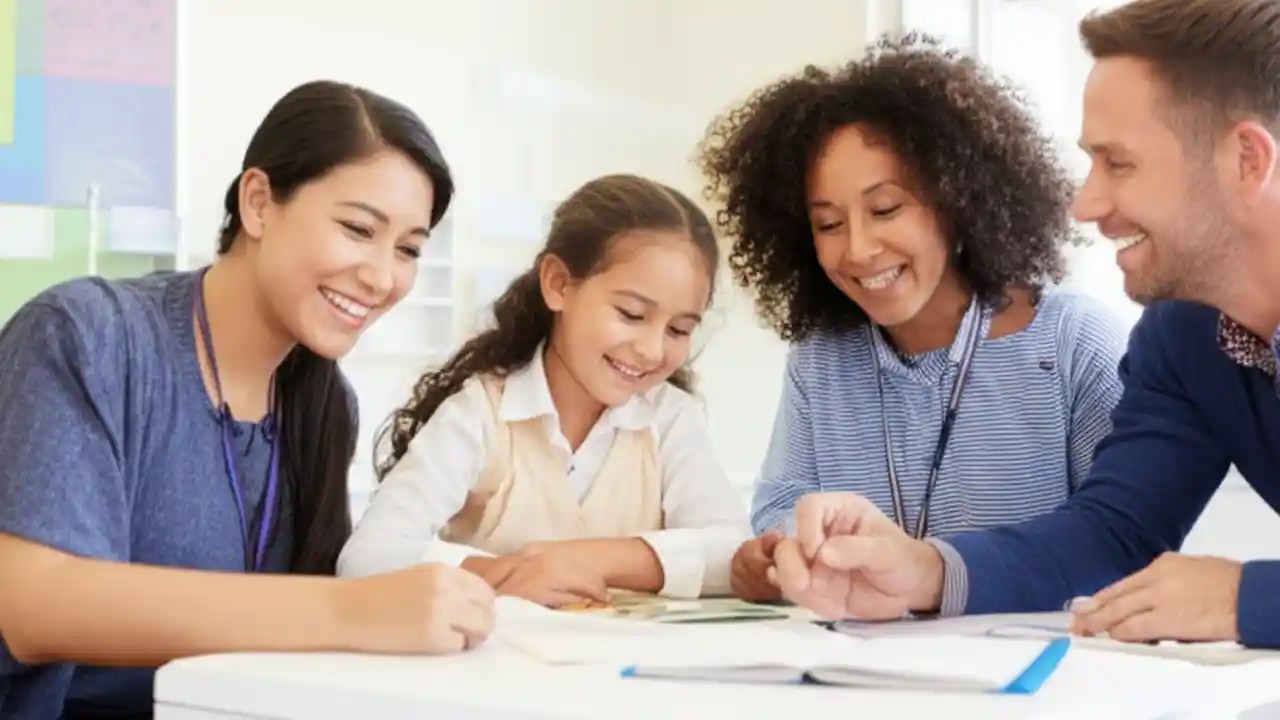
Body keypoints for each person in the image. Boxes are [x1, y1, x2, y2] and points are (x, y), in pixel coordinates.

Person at [770, 0, 1280, 650]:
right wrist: (922, 571)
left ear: (1246, 161)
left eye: (1118, 163)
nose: (1085, 203)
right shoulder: (1179, 337)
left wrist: (1245, 597)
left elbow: (1224, 594)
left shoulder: (1080, 335)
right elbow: (1114, 534)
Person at [0, 80, 496, 719]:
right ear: (258, 203)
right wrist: (355, 610)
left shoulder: (323, 404)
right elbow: (33, 605)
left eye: (407, 250)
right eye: (357, 229)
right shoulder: (89, 335)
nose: (381, 276)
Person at [696, 34, 1129, 602]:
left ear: (957, 201)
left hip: (1039, 668)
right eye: (828, 224)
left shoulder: (1073, 342)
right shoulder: (821, 360)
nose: (858, 248)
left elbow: (1120, 541)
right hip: (871, 667)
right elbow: (782, 502)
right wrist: (777, 552)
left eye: (885, 209)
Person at [336, 174, 750, 606]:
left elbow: (732, 552)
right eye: (631, 314)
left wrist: (584, 559)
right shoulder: (481, 412)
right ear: (558, 284)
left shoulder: (669, 418)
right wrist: (500, 576)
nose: (651, 350)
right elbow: (368, 556)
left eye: (679, 329)